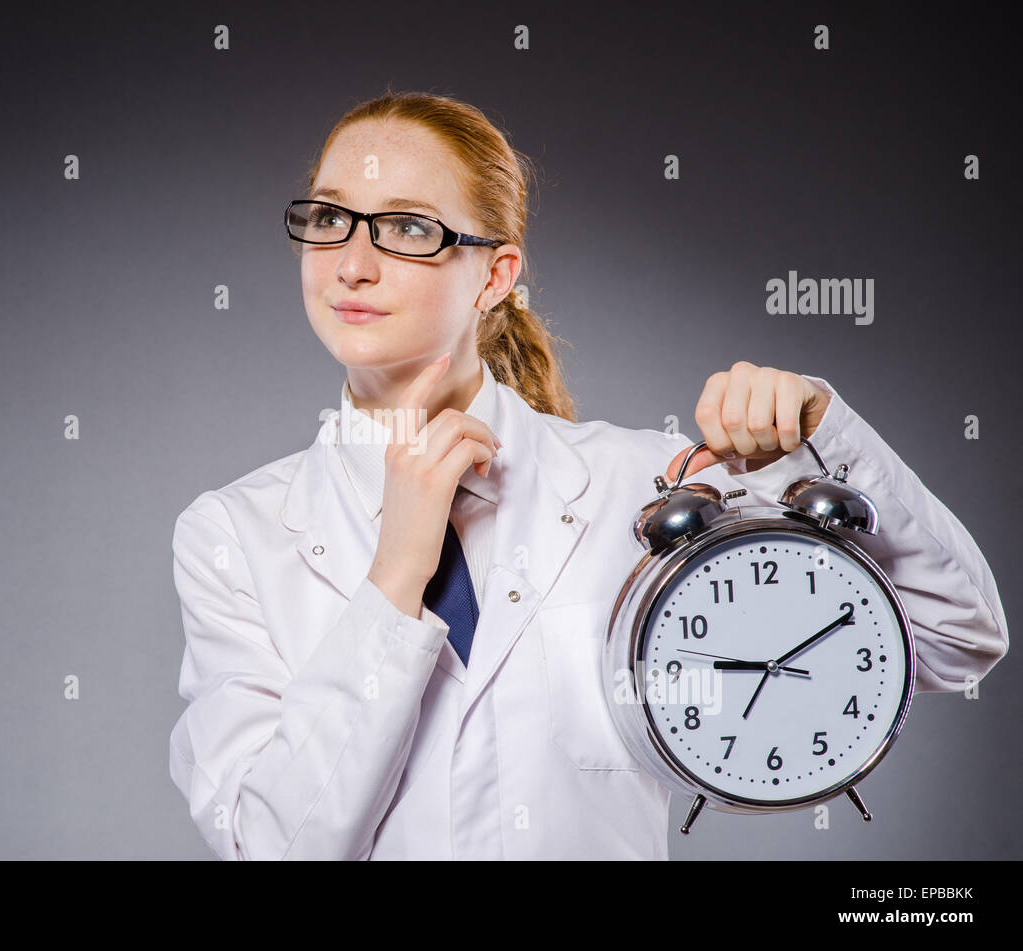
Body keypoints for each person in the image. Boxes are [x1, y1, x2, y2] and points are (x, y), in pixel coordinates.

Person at [167, 89, 1009, 860]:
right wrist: (395, 577)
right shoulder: (233, 536)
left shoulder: (644, 485)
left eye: (407, 228)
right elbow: (276, 845)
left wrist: (822, 439)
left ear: (495, 274)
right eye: (330, 219)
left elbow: (956, 636)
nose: (352, 263)